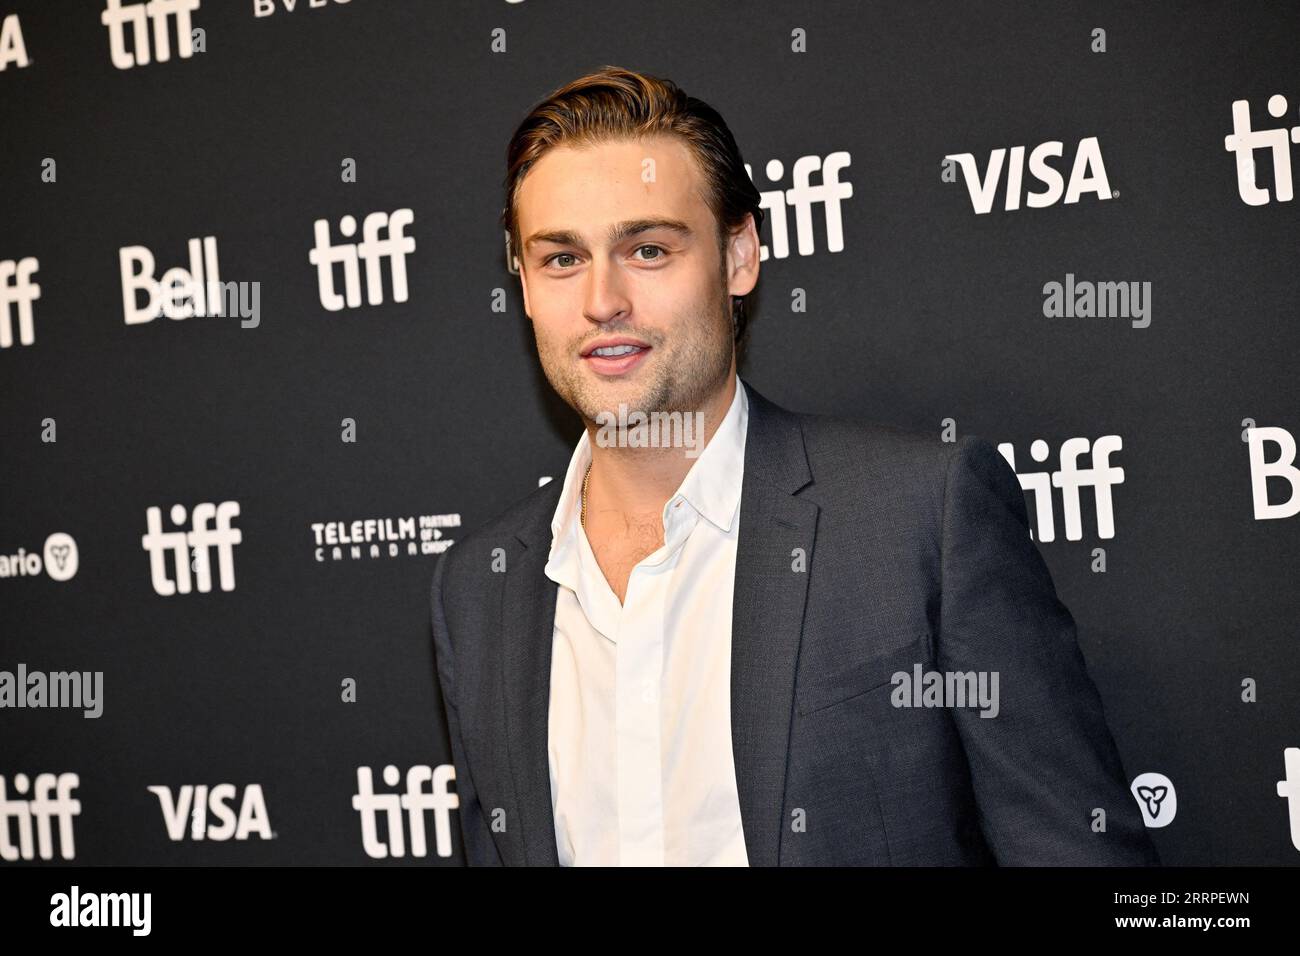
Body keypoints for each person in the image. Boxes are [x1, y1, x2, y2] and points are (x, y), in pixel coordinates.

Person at [429, 65, 1160, 866]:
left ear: (739, 256)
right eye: (562, 259)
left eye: (647, 248)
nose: (604, 299)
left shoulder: (921, 520)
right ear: (525, 285)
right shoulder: (478, 592)